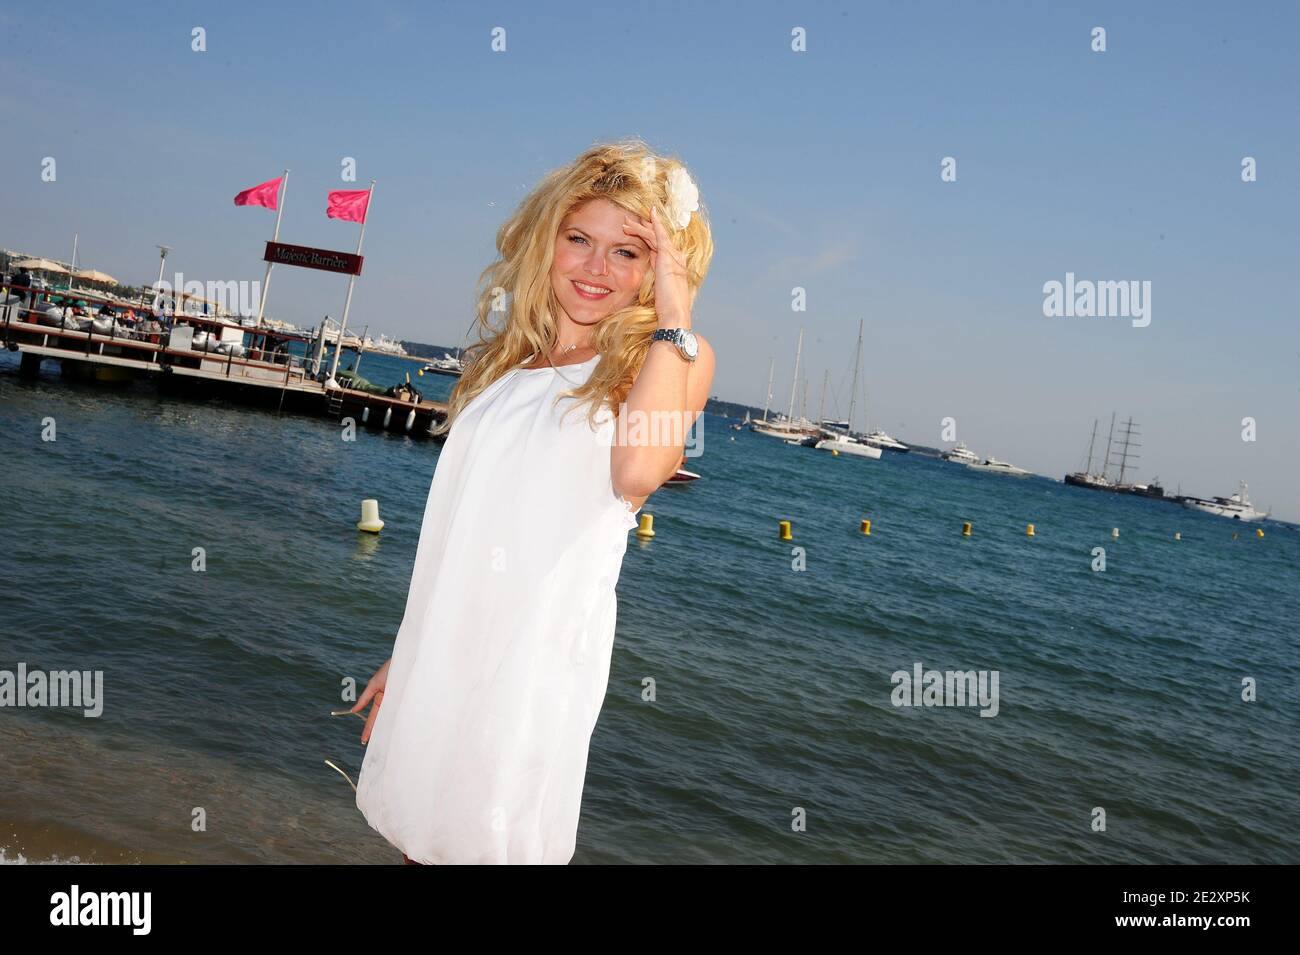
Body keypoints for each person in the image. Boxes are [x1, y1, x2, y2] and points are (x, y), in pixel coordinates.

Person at [350, 140, 716, 864]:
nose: (594, 267)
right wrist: (410, 652)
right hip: (446, 649)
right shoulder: (508, 360)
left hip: (531, 667)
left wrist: (674, 313)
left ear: (660, 267)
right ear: (547, 240)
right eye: (579, 239)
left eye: (627, 252)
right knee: (416, 843)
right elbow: (458, 523)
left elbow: (639, 472)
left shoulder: (671, 359)